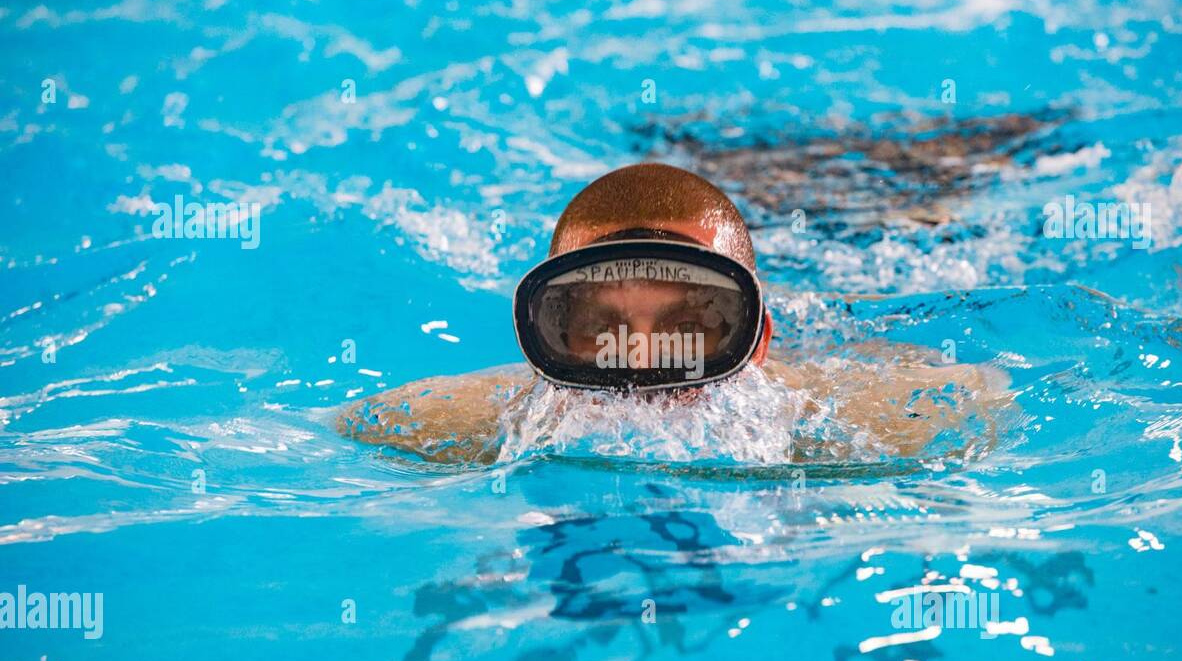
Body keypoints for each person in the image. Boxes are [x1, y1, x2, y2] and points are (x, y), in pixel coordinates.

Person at [338, 163, 1011, 464]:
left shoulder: (878, 418)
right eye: (600, 331)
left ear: (759, 341)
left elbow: (987, 399)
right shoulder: (446, 422)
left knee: (919, 221)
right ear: (540, 340)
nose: (640, 370)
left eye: (690, 327)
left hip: (880, 271)